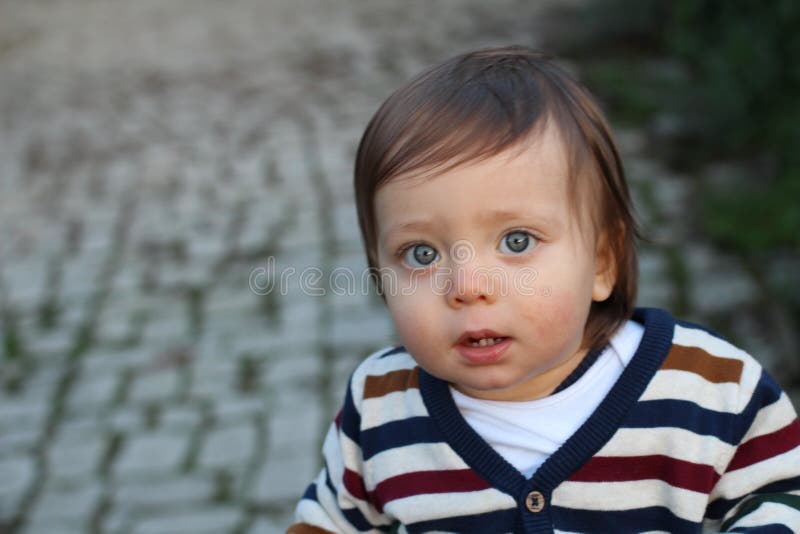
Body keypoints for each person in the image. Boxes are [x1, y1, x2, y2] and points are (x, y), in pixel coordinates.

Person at [288, 46, 800, 533]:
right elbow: (329, 522)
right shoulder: (382, 407)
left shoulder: (706, 389)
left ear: (602, 261)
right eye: (422, 254)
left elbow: (782, 495)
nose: (468, 287)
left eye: (516, 241)